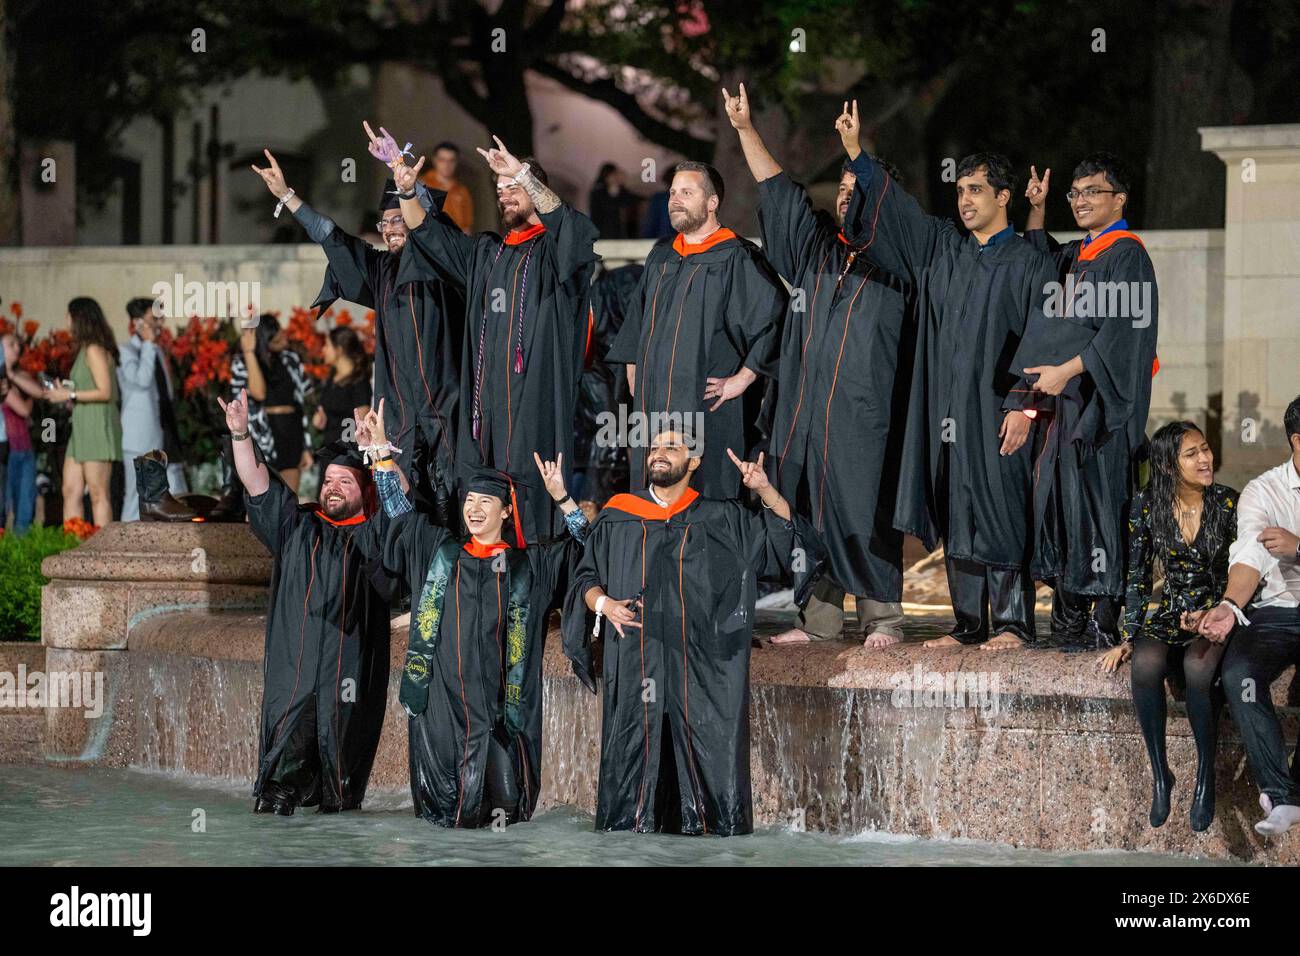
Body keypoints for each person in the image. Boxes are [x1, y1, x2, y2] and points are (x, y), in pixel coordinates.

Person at [838, 101, 1056, 651]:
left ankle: (1011, 623)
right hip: (947, 412)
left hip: (999, 410)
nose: (964, 200)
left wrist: (1024, 408)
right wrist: (857, 157)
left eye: (976, 190)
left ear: (1003, 197)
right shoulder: (944, 251)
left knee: (1001, 506)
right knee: (957, 504)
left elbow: (1045, 335)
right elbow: (902, 214)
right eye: (960, 191)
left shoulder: (1029, 261)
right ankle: (967, 624)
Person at [726, 83, 912, 649]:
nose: (849, 194)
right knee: (811, 508)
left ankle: (883, 618)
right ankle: (819, 620)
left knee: (865, 511)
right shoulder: (819, 252)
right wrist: (745, 131)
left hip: (868, 413)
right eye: (846, 186)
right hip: (809, 411)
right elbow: (778, 193)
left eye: (861, 187)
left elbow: (892, 214)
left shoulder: (901, 260)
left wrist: (859, 153)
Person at [563, 430, 820, 836]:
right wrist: (605, 605)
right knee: (631, 775)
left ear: (694, 462)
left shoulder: (721, 517)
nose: (659, 453)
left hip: (701, 669)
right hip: (637, 663)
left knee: (709, 788)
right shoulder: (619, 515)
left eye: (671, 447)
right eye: (654, 447)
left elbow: (783, 545)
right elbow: (584, 578)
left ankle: (712, 837)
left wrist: (766, 490)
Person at [362, 409, 590, 827]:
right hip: (441, 715)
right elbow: (399, 515)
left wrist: (561, 497)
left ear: (506, 512)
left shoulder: (530, 567)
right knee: (442, 824)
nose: (475, 508)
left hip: (503, 718)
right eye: (470, 500)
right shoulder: (440, 553)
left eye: (487, 501)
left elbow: (589, 551)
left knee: (503, 822)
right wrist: (380, 451)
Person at [390, 128, 600, 544]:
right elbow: (432, 237)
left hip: (535, 406)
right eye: (499, 188)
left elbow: (572, 229)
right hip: (483, 410)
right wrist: (408, 192)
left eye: (513, 187)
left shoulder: (558, 254)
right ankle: (486, 581)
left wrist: (521, 172)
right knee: (480, 493)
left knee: (532, 493)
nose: (504, 194)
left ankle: (535, 586)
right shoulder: (488, 253)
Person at [252, 143, 461, 514]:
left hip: (449, 414)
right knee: (400, 512)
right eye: (386, 222)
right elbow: (332, 236)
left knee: (451, 509)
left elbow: (438, 236)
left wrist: (405, 177)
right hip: (400, 419)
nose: (391, 228)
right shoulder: (381, 270)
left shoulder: (448, 265)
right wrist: (287, 196)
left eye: (401, 220)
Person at [218, 387, 395, 815]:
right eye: (329, 480)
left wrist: (380, 453)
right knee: (279, 793)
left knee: (338, 802)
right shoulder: (297, 527)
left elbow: (400, 510)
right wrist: (241, 435)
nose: (333, 488)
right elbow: (258, 483)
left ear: (364, 490)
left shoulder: (376, 536)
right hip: (294, 687)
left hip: (347, 688)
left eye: (345, 482)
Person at [1017, 154, 1159, 647]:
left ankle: (1104, 613)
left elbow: (1123, 335)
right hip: (1068, 406)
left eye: (1091, 192)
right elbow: (1037, 267)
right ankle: (1069, 609)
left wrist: (1068, 370)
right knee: (1062, 504)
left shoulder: (1128, 256)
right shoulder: (1078, 254)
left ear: (1119, 199)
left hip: (1104, 410)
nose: (1079, 201)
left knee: (1100, 505)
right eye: (1074, 193)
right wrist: (1036, 210)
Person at [607, 159, 787, 500]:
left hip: (708, 406)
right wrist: (633, 371)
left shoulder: (737, 256)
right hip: (653, 405)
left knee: (708, 493)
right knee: (652, 492)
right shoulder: (662, 255)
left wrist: (743, 379)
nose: (675, 200)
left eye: (686, 193)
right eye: (673, 192)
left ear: (712, 202)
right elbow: (635, 320)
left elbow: (774, 320)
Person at [1098, 422, 1236, 831]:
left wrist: (1217, 611)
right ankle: (1162, 775)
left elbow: (1245, 570)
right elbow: (1138, 577)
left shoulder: (1229, 503)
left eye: (1205, 449)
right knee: (1144, 664)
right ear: (1168, 465)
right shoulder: (1145, 506)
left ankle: (1205, 778)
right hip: (1172, 614)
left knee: (1197, 668)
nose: (1205, 459)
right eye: (1191, 454)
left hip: (1217, 616)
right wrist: (1128, 635)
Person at [1194, 394, 1300, 837]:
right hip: (1276, 612)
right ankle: (1282, 795)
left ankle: (1291, 795)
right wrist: (1229, 606)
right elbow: (1249, 557)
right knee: (1240, 674)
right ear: (1298, 440)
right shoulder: (1263, 491)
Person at [43, 297, 122, 527]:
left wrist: (70, 395)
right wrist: (67, 395)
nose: (65, 320)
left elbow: (105, 391)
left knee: (98, 493)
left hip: (97, 426)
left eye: (68, 315)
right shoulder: (84, 350)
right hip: (82, 427)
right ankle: (73, 547)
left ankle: (102, 551)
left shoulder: (94, 349)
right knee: (70, 490)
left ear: (78, 318)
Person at [119, 297, 189, 521]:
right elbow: (141, 380)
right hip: (138, 437)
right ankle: (123, 546)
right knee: (135, 496)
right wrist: (148, 344)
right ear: (137, 322)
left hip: (163, 430)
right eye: (154, 319)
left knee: (175, 489)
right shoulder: (126, 351)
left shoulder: (156, 351)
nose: (160, 323)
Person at [229, 313, 313, 494]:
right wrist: (250, 352)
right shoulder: (243, 362)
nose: (283, 338)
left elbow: (301, 403)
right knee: (264, 498)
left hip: (291, 431)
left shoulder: (290, 359)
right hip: (264, 434)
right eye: (276, 338)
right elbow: (258, 393)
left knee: (290, 500)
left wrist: (306, 446)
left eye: (281, 333)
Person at [1, 334, 41, 532]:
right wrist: (28, 402)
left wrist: (12, 374)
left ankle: (21, 551)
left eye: (18, 344)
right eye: (11, 344)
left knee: (26, 504)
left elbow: (39, 391)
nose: (17, 347)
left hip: (25, 448)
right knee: (5, 505)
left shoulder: (19, 375)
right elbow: (24, 409)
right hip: (7, 451)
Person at [312, 326, 372, 448]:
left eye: (327, 345)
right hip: (329, 448)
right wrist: (320, 419)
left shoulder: (358, 381)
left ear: (339, 350)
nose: (323, 349)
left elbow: (361, 422)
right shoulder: (332, 378)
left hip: (347, 453)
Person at [419, 140, 474, 233]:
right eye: (442, 160)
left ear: (457, 162)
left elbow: (466, 227)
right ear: (434, 160)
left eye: (451, 161)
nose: (447, 165)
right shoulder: (421, 185)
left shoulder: (462, 191)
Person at [588, 162, 638, 239]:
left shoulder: (625, 193)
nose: (615, 178)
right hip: (603, 234)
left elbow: (630, 210)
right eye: (612, 175)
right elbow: (595, 216)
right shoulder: (597, 194)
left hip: (622, 235)